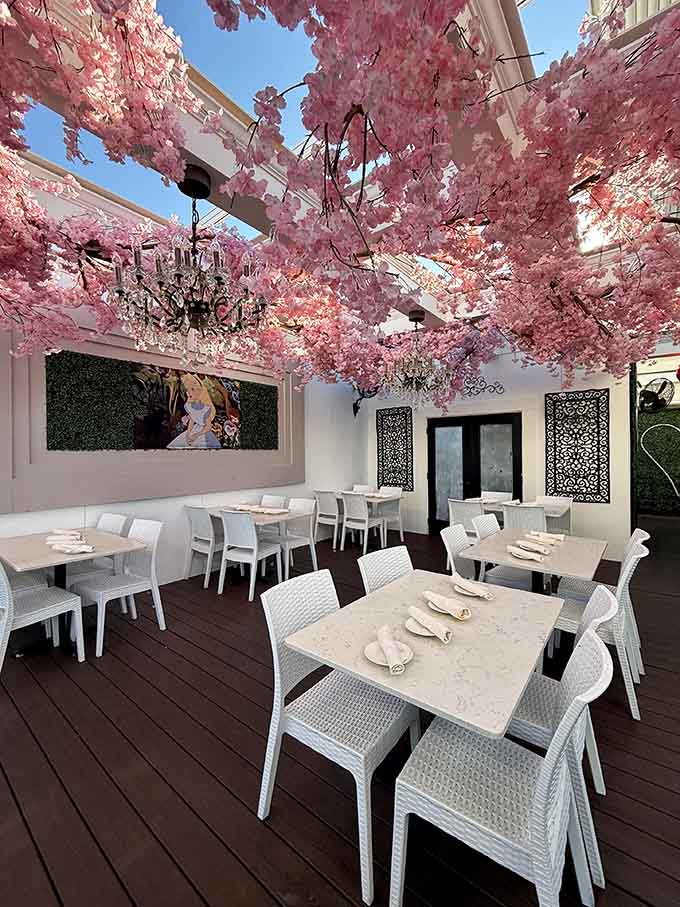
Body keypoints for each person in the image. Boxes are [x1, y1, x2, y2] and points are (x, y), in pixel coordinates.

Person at [167, 374, 221, 449]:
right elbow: (192, 420)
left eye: (192, 389)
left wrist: (197, 434)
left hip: (203, 433)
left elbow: (208, 427)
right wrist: (188, 433)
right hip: (194, 430)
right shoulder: (190, 406)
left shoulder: (207, 409)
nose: (188, 392)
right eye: (187, 390)